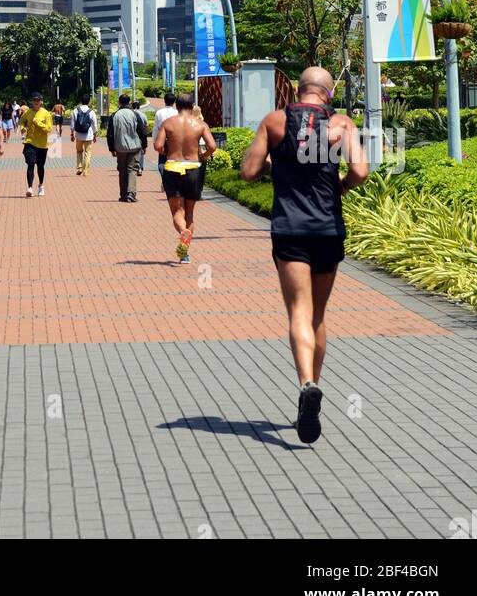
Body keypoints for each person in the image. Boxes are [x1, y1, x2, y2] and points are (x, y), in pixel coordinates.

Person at [240, 65, 368, 444]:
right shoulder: (342, 124)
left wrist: (272, 165)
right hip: (327, 229)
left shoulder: (275, 121)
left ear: (297, 91)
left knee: (298, 310)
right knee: (318, 315)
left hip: (290, 229)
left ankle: (306, 383)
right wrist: (340, 187)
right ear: (327, 94)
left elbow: (248, 172)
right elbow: (360, 171)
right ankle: (314, 387)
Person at [153, 94, 216, 262]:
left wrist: (167, 152)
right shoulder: (200, 124)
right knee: (189, 213)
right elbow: (212, 146)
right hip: (193, 168)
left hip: (173, 167)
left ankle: (183, 233)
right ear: (192, 105)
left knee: (177, 212)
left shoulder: (169, 123)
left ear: (177, 106)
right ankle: (185, 253)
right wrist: (202, 155)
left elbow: (158, 146)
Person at [107, 94, 147, 202]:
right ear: (129, 102)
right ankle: (131, 194)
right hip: (134, 147)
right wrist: (144, 145)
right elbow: (142, 131)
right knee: (133, 169)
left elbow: (110, 133)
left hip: (120, 147)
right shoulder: (134, 114)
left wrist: (111, 148)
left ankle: (123, 195)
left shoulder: (114, 115)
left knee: (122, 170)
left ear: (119, 102)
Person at [19, 92, 53, 197]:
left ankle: (41, 185)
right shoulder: (28, 112)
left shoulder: (46, 114)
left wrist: (38, 123)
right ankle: (29, 187)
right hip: (30, 142)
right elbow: (22, 122)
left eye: (38, 100)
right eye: (34, 100)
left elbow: (49, 129)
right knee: (31, 163)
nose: (36, 102)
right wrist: (22, 128)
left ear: (41, 101)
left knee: (40, 166)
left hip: (42, 145)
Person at [153, 91, 178, 192]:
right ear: (174, 102)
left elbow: (155, 128)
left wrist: (155, 140)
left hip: (163, 140)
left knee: (162, 161)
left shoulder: (159, 112)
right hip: (175, 140)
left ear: (164, 101)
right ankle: (169, 181)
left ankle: (165, 178)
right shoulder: (177, 112)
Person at [70, 93, 98, 176]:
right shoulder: (91, 112)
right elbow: (95, 125)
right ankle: (85, 171)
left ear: (81, 101)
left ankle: (79, 168)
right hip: (88, 135)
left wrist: (72, 134)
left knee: (79, 151)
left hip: (78, 135)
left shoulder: (75, 110)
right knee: (87, 153)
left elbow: (72, 124)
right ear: (88, 101)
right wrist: (95, 135)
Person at [131, 99, 146, 174]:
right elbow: (145, 125)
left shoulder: (130, 113)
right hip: (140, 135)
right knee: (141, 152)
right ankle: (140, 167)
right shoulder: (142, 115)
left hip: (131, 135)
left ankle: (133, 166)